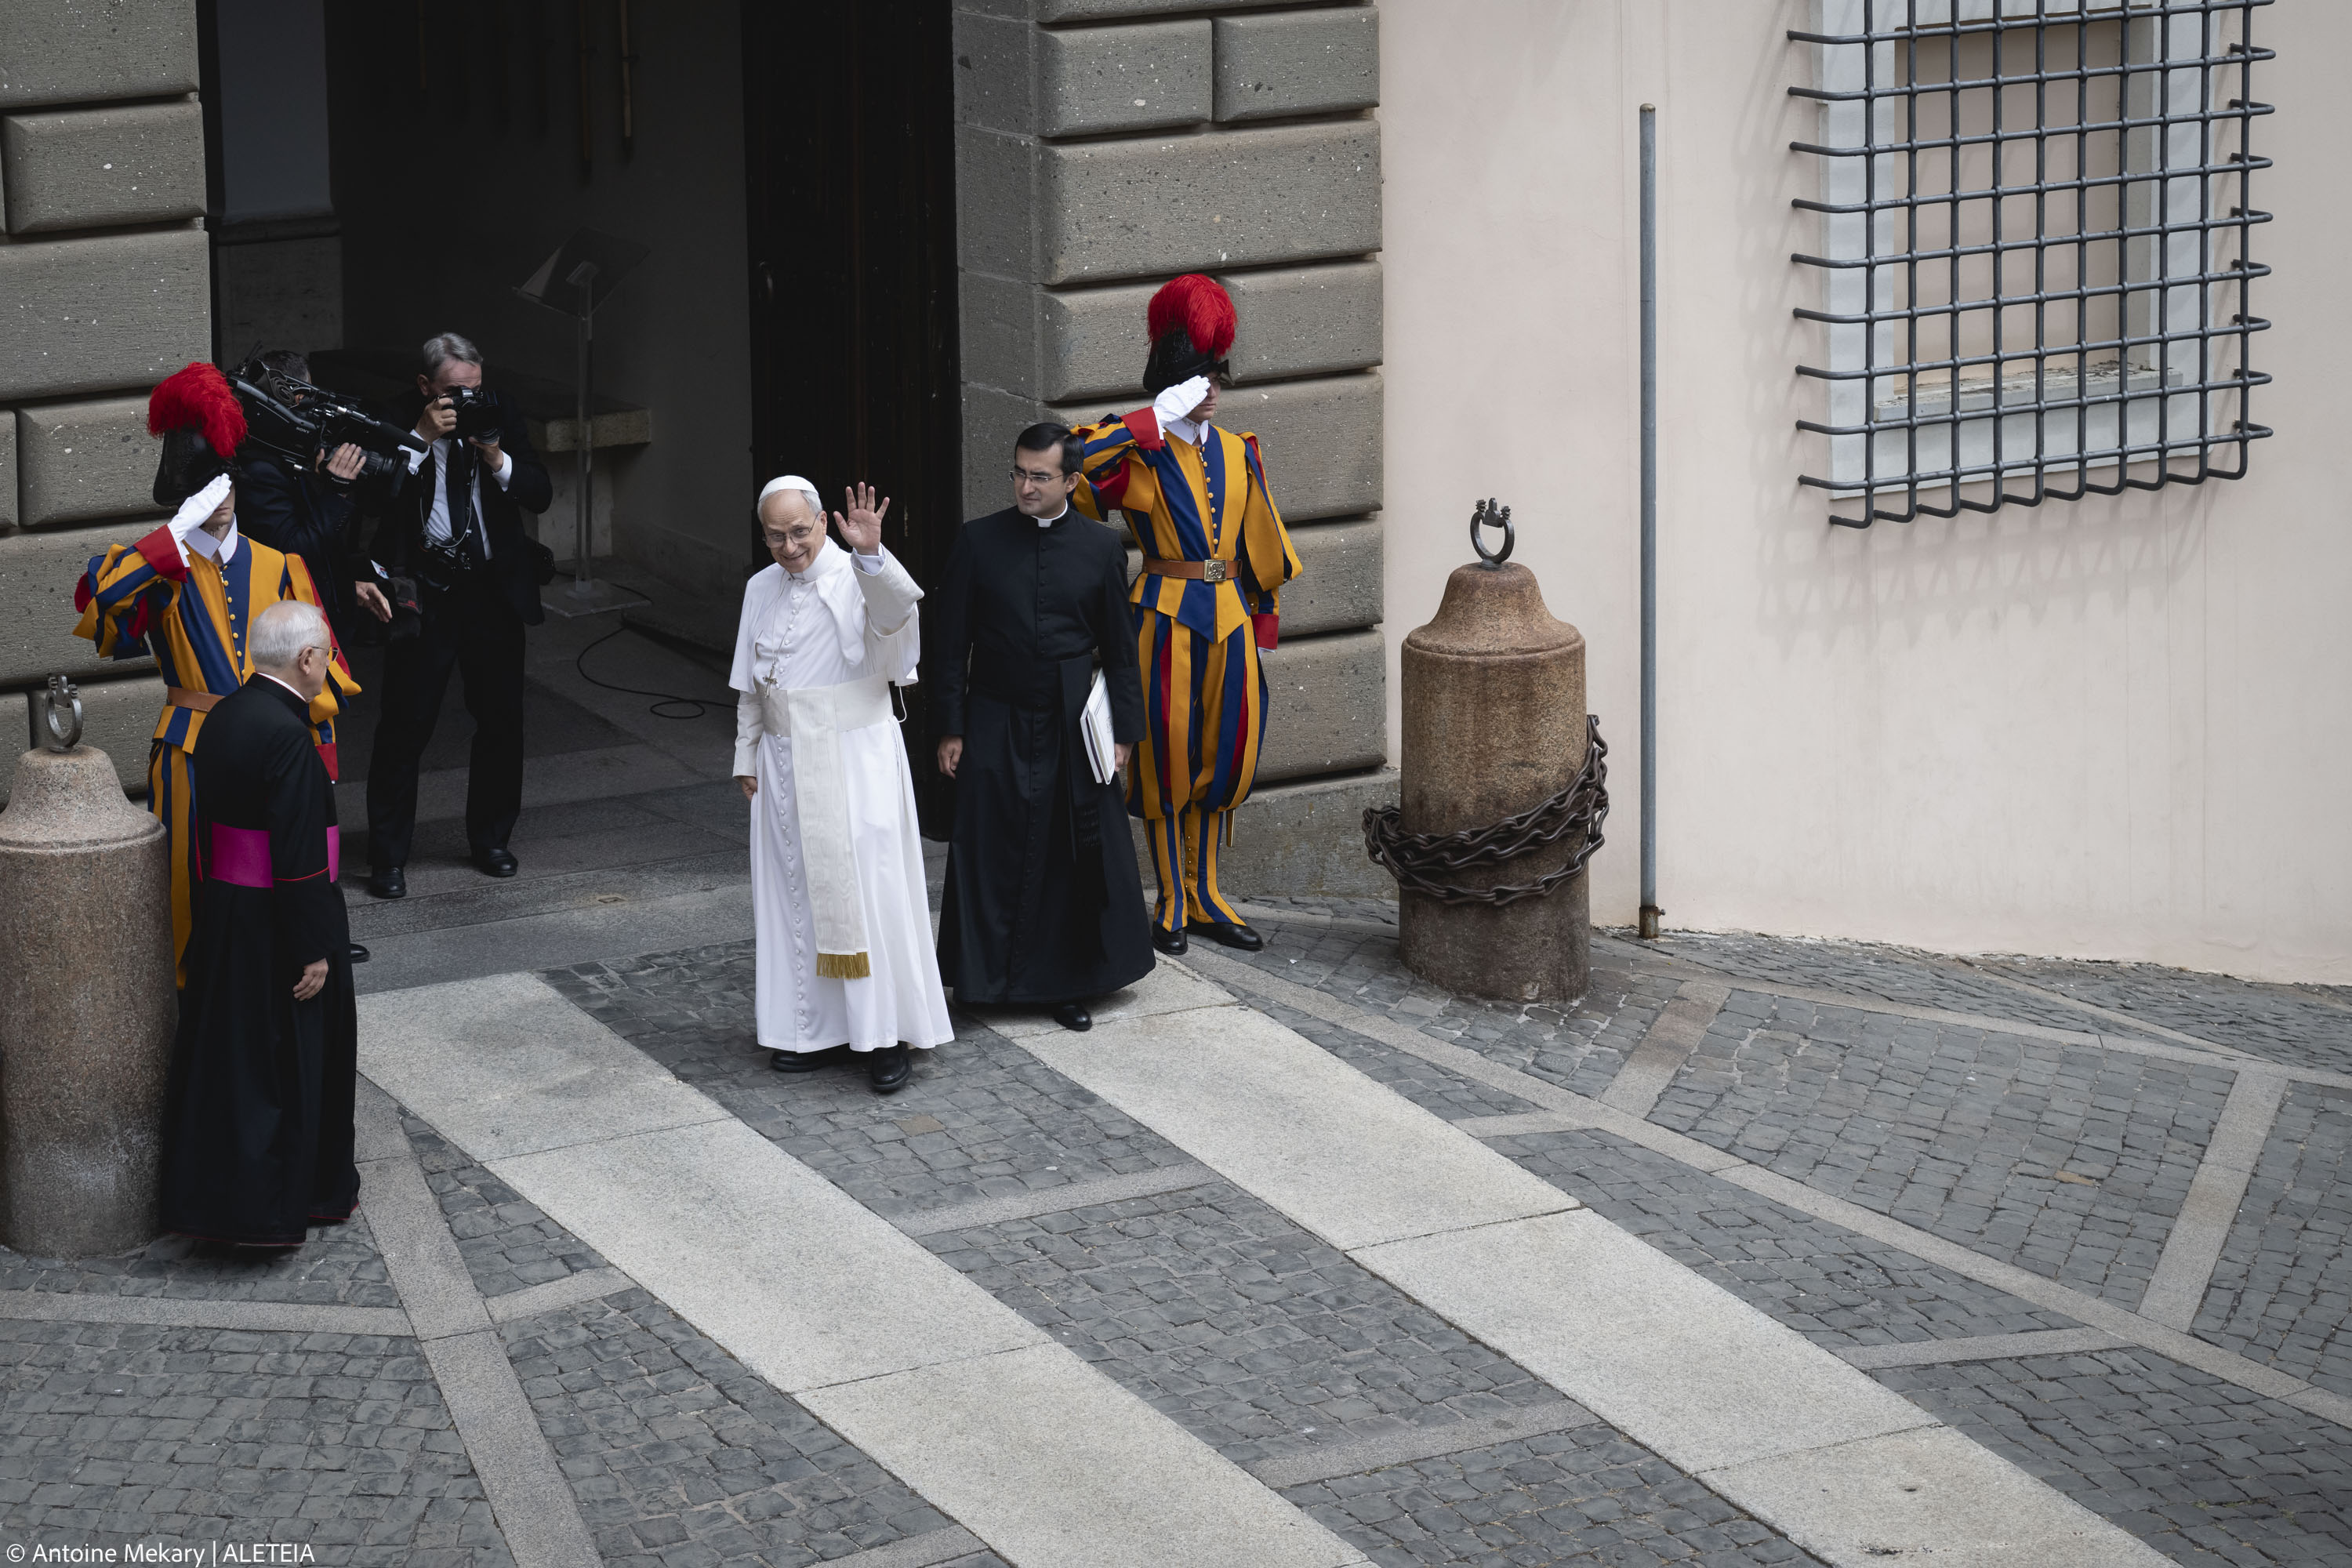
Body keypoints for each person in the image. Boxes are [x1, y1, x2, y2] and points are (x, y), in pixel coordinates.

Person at [73, 361, 361, 984]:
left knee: (279, 876)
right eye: (202, 492)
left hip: (278, 752)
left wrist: (318, 770)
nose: (219, 502)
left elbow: (325, 678)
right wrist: (173, 535)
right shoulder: (152, 568)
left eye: (225, 486)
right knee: (191, 889)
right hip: (191, 753)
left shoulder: (282, 566)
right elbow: (105, 614)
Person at [1069, 274, 1303, 956]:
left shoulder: (1238, 451)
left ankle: (1208, 896)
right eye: (1198, 378)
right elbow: (1077, 470)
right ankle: (1172, 898)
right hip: (1163, 618)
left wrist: (1259, 623)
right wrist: (1152, 420)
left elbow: (1263, 545)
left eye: (1213, 377)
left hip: (1227, 621)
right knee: (1166, 762)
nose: (1211, 389)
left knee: (1220, 757)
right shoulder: (1138, 449)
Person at [731, 476, 952, 1094]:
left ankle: (884, 1036)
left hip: (855, 760)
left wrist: (873, 554)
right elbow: (753, 683)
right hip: (782, 764)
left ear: (824, 522)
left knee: (868, 894)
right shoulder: (760, 587)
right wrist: (745, 754)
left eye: (800, 531)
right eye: (776, 536)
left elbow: (895, 621)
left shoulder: (861, 574)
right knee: (794, 896)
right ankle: (812, 1030)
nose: (790, 547)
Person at [929, 424, 1154, 1030]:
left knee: (1068, 855)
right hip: (995, 715)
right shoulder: (978, 542)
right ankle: (983, 982)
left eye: (1039, 476)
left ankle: (1066, 985)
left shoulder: (1103, 549)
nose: (1025, 486)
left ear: (1071, 481)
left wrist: (1124, 734)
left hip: (1072, 722)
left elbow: (1121, 650)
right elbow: (950, 646)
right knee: (989, 848)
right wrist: (951, 727)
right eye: (1018, 473)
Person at [156, 599, 360, 1247]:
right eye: (326, 654)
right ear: (307, 660)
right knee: (286, 1068)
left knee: (234, 1062)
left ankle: (217, 1197)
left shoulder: (224, 715)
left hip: (230, 913)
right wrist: (316, 949)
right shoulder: (288, 737)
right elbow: (299, 857)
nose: (329, 664)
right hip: (281, 923)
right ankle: (285, 1202)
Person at [362, 332, 553, 898]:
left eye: (474, 388)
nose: (466, 401)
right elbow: (373, 498)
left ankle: (492, 839)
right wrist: (420, 439)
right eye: (452, 392)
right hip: (426, 591)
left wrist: (496, 455)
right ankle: (389, 856)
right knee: (405, 724)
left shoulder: (498, 413)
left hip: (492, 590)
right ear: (425, 386)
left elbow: (539, 492)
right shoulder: (395, 417)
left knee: (501, 719)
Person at [234, 348, 396, 655]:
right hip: (291, 643)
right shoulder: (258, 472)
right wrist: (337, 493)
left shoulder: (286, 458)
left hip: (316, 627)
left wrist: (347, 589)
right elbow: (294, 553)